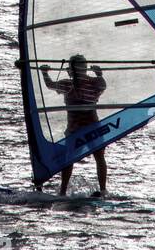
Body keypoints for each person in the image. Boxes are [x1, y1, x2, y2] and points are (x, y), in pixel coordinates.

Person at [42, 54, 108, 196]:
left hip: (90, 127)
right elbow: (50, 85)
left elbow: (103, 85)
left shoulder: (92, 82)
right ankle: (63, 191)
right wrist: (44, 73)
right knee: (70, 159)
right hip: (76, 129)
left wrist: (99, 74)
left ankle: (102, 190)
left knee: (98, 156)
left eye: (79, 67)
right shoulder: (68, 84)